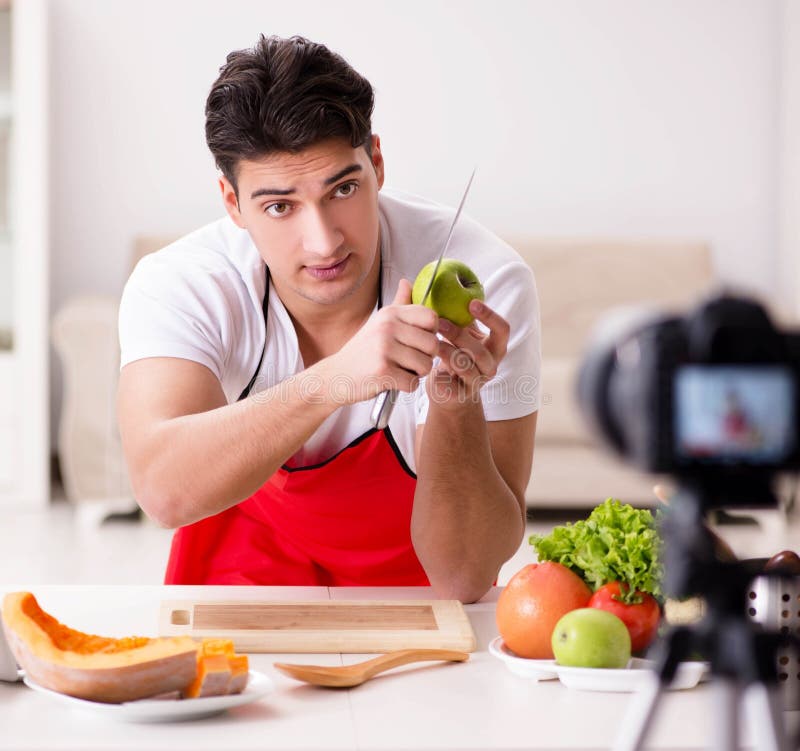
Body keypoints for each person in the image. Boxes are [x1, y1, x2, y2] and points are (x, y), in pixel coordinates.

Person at [117, 35, 540, 603]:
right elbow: (163, 492)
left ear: (378, 163)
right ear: (232, 202)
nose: (324, 242)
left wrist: (453, 401)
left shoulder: (488, 282)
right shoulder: (184, 282)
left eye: (342, 188)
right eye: (279, 206)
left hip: (414, 596)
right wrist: (337, 378)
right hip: (241, 585)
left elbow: (465, 575)